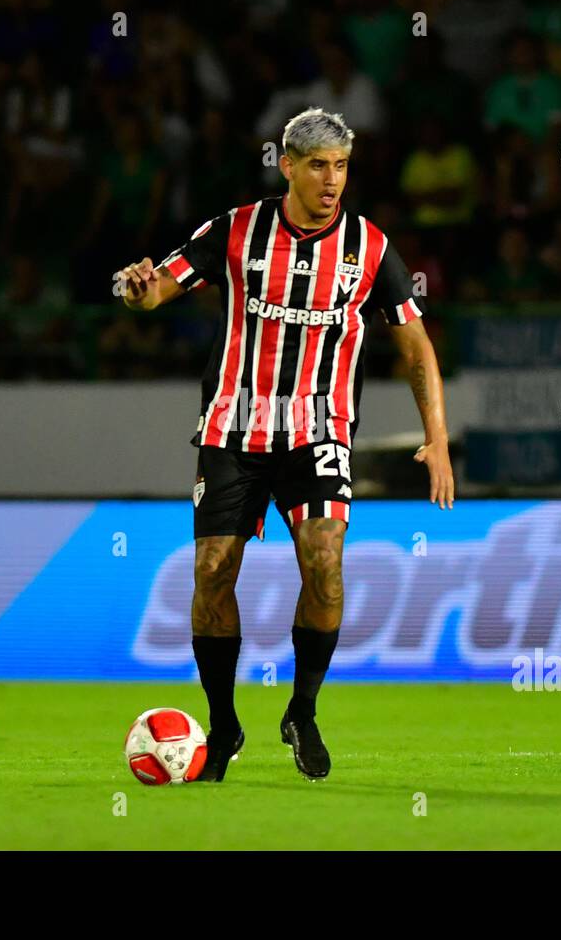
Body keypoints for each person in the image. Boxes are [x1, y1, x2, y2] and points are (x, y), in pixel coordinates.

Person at [113, 108, 454, 781]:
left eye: (342, 167)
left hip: (318, 429)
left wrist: (436, 437)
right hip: (233, 429)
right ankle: (224, 724)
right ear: (288, 165)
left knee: (323, 560)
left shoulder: (371, 248)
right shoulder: (236, 231)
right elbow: (158, 290)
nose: (332, 181)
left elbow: (413, 340)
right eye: (319, 166)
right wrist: (137, 289)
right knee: (213, 570)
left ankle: (302, 710)